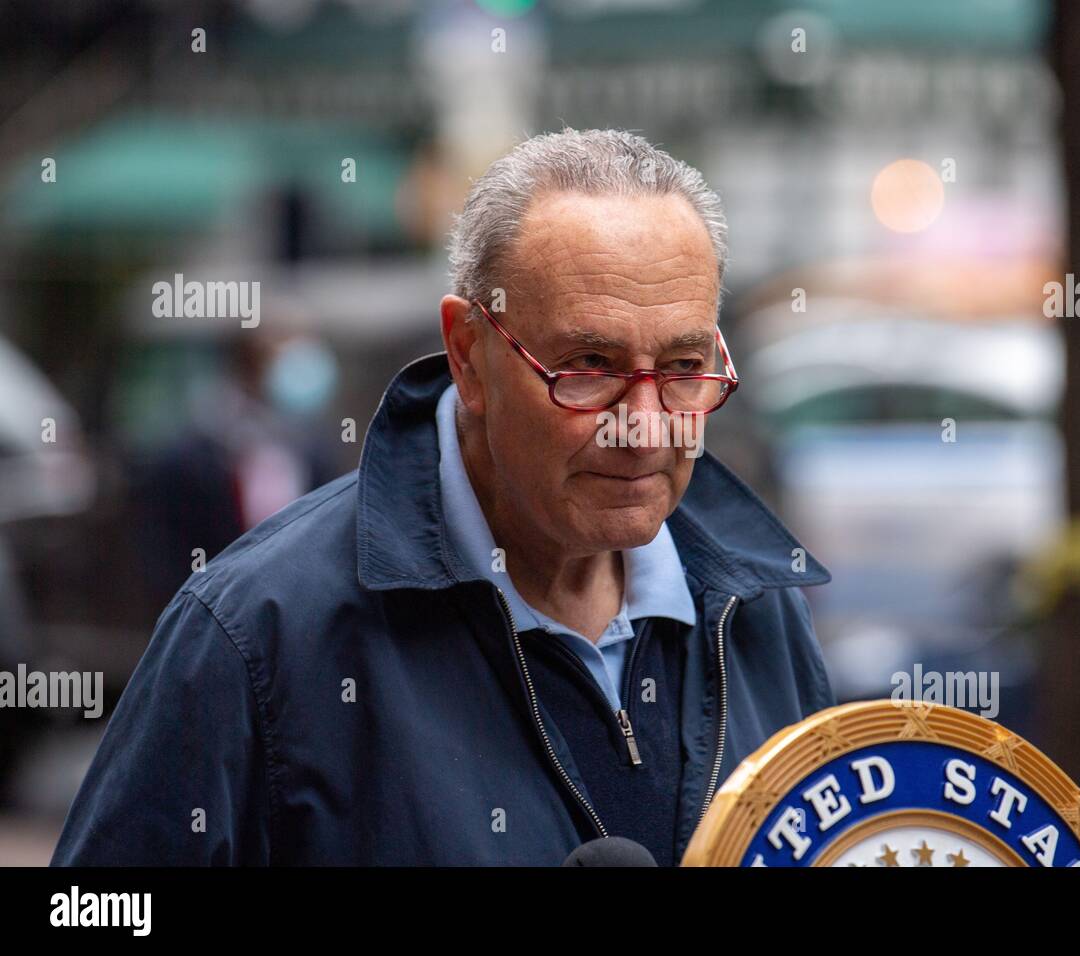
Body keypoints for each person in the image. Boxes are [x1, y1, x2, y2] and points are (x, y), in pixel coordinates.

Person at [50, 128, 833, 866]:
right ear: (468, 354)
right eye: (588, 365)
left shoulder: (758, 605)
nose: (643, 425)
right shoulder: (256, 637)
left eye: (684, 367)